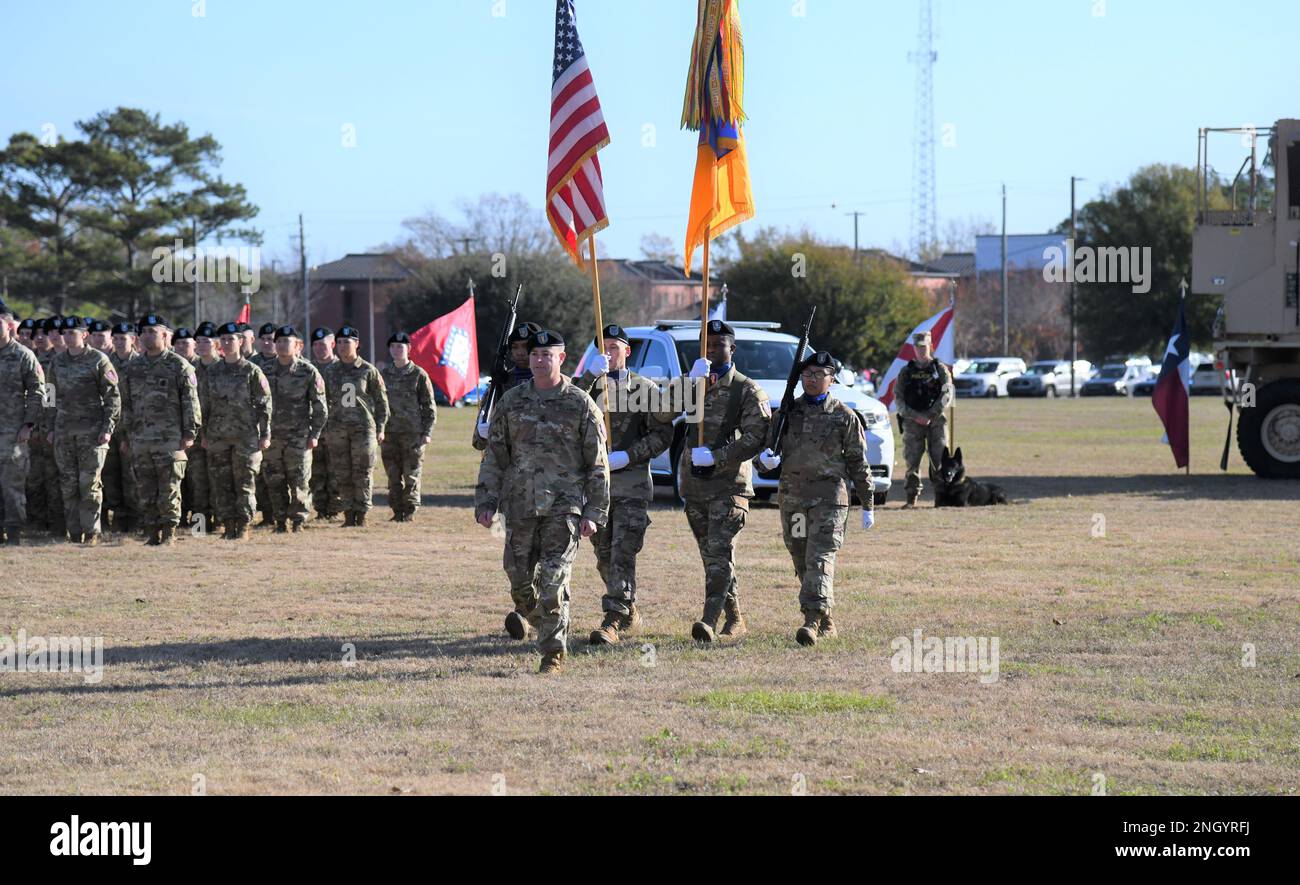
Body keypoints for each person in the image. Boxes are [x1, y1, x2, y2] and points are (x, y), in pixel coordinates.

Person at [474, 329, 609, 674]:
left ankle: (553, 653)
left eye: (547, 355)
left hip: (563, 509)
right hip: (518, 507)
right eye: (534, 355)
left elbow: (597, 462)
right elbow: (494, 456)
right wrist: (486, 500)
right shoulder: (512, 402)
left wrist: (594, 511)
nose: (539, 360)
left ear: (561, 358)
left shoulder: (580, 403)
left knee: (552, 581)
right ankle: (543, 620)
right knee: (519, 583)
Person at [759, 351, 875, 646]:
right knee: (800, 556)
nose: (811, 380)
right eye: (807, 374)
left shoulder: (843, 417)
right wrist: (766, 461)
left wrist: (867, 503)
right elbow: (766, 451)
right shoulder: (787, 413)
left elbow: (858, 462)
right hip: (794, 501)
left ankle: (811, 619)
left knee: (820, 557)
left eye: (818, 375)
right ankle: (826, 619)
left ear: (831, 380)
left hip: (829, 502)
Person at [577, 324, 675, 645]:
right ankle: (628, 609)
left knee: (622, 552)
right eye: (602, 348)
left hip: (631, 486)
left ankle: (613, 620)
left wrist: (628, 456)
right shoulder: (589, 388)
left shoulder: (644, 389)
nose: (608, 353)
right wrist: (589, 378)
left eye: (614, 347)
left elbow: (663, 434)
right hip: (596, 488)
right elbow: (565, 410)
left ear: (627, 352)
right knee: (604, 554)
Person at [679, 319, 771, 643]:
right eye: (707, 343)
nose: (713, 349)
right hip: (694, 487)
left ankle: (707, 620)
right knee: (713, 557)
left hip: (729, 487)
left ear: (733, 349)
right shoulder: (692, 383)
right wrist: (688, 385)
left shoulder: (746, 390)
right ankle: (735, 617)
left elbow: (756, 437)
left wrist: (717, 457)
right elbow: (661, 414)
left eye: (720, 344)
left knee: (719, 553)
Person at [120, 314, 202, 546]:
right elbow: (126, 404)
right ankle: (152, 533)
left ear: (166, 335)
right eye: (144, 332)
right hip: (141, 440)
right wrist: (126, 435)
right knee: (145, 490)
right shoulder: (133, 367)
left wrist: (189, 433)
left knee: (169, 490)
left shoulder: (179, 366)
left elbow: (191, 402)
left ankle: (169, 533)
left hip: (170, 440)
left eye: (152, 332)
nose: (147, 336)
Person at [46, 315, 120, 545]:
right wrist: (49, 427)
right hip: (64, 432)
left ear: (84, 335)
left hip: (92, 433)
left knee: (89, 484)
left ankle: (91, 532)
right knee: (68, 484)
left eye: (72, 333)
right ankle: (74, 531)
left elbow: (113, 398)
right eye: (64, 333)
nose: (67, 337)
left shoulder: (99, 360)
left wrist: (107, 428)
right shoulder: (57, 362)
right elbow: (49, 396)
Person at [201, 323, 272, 541]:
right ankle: (228, 524)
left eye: (231, 339)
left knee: (245, 484)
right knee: (221, 484)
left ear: (241, 342)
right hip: (218, 437)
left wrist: (265, 434)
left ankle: (242, 526)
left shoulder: (251, 371)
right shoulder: (212, 372)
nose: (226, 343)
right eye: (223, 339)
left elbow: (264, 404)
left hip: (246, 438)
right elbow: (203, 406)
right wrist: (203, 434)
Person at [320, 326, 388, 527]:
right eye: (339, 342)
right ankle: (349, 513)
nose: (342, 346)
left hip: (363, 429)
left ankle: (362, 513)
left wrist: (381, 427)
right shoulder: (330, 371)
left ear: (357, 344)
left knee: (363, 471)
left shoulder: (368, 370)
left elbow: (382, 401)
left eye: (346, 342)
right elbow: (322, 401)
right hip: (337, 429)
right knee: (342, 472)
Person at [263, 325, 327, 533]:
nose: (281, 345)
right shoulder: (264, 371)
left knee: (299, 481)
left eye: (286, 341)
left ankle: (298, 521)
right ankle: (280, 521)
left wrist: (314, 434)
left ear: (297, 345)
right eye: (279, 341)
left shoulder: (307, 372)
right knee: (275, 480)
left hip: (299, 437)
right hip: (272, 437)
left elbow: (320, 407)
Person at [0, 302, 45, 546]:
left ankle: (14, 534)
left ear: (8, 325)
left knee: (12, 487)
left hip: (12, 434)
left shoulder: (22, 355)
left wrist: (28, 425)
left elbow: (38, 393)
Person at [380, 332, 436, 522]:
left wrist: (427, 432)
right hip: (389, 433)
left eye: (400, 346)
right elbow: (378, 404)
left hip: (413, 434)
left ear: (409, 349)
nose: (396, 350)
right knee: (393, 475)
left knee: (411, 474)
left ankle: (410, 510)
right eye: (393, 346)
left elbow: (429, 406)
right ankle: (397, 510)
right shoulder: (384, 375)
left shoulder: (418, 374)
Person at [896, 330, 953, 508]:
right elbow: (898, 398)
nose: (921, 351)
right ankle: (911, 499)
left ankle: (941, 498)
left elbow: (947, 394)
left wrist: (931, 415)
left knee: (939, 461)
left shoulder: (939, 369)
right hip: (913, 423)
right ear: (914, 348)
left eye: (924, 347)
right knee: (912, 462)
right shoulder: (906, 371)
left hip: (935, 422)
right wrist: (915, 416)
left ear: (931, 347)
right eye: (918, 347)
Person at [473, 321, 541, 451]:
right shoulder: (500, 383)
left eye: (525, 346)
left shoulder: (552, 381)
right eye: (515, 347)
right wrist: (484, 431)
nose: (520, 352)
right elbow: (478, 442)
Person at [309, 327, 340, 520]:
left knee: (336, 471)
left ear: (333, 345)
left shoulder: (342, 369)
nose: (320, 348)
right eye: (316, 345)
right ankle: (321, 509)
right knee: (316, 472)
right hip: (313, 431)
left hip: (336, 430)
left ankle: (335, 510)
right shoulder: (308, 370)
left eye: (323, 344)